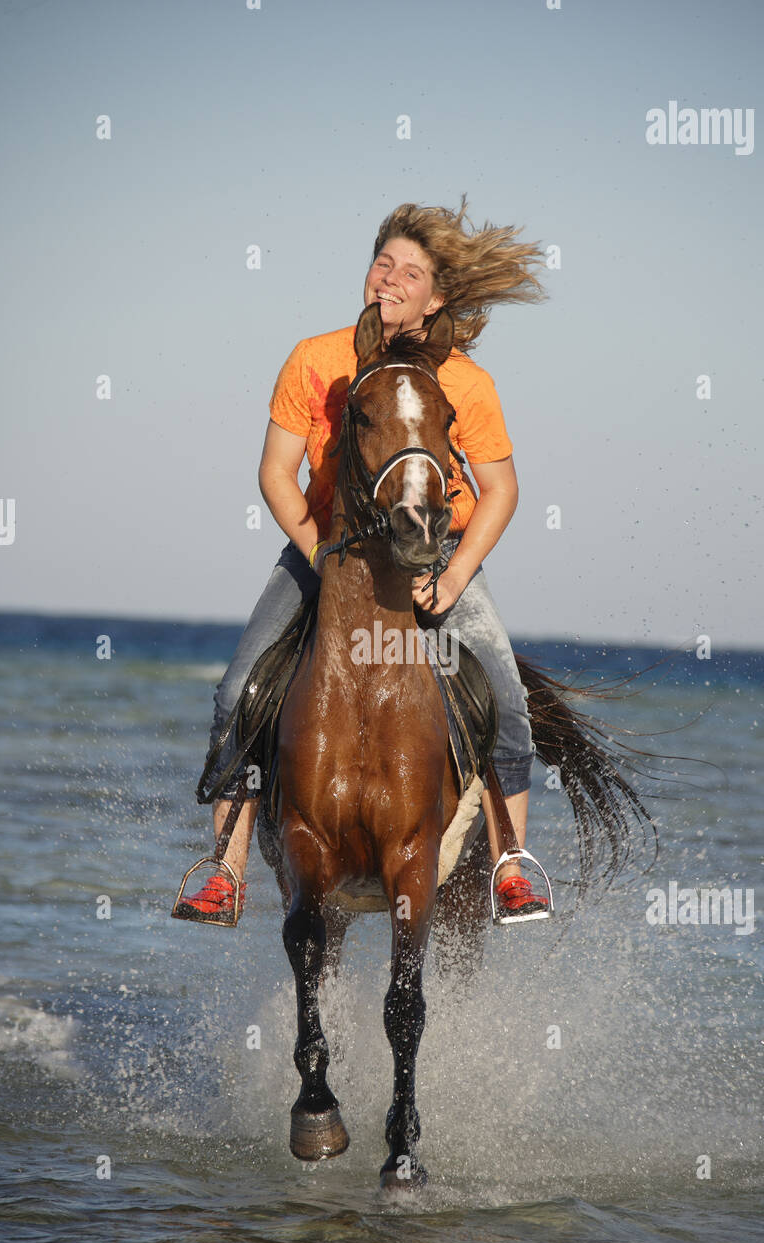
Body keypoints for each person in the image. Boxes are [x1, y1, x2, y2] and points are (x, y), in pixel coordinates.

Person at [174, 198, 548, 924]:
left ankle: (511, 864)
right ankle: (224, 870)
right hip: (326, 547)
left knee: (508, 700)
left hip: (432, 553)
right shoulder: (316, 359)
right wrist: (318, 554)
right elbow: (276, 473)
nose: (391, 280)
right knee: (237, 691)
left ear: (436, 296)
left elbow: (500, 489)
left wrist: (457, 572)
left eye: (411, 273)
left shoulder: (465, 382)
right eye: (384, 263)